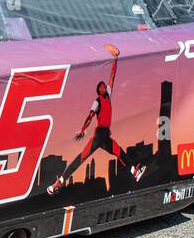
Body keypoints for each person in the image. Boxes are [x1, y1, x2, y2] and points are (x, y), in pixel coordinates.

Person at [48, 45, 145, 194]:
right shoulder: (97, 101)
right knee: (81, 159)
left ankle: (135, 173)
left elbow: (112, 77)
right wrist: (83, 129)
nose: (103, 86)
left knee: (120, 153)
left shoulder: (108, 96)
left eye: (103, 85)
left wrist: (115, 60)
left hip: (105, 135)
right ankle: (58, 183)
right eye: (101, 86)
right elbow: (91, 115)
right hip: (100, 135)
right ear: (98, 91)